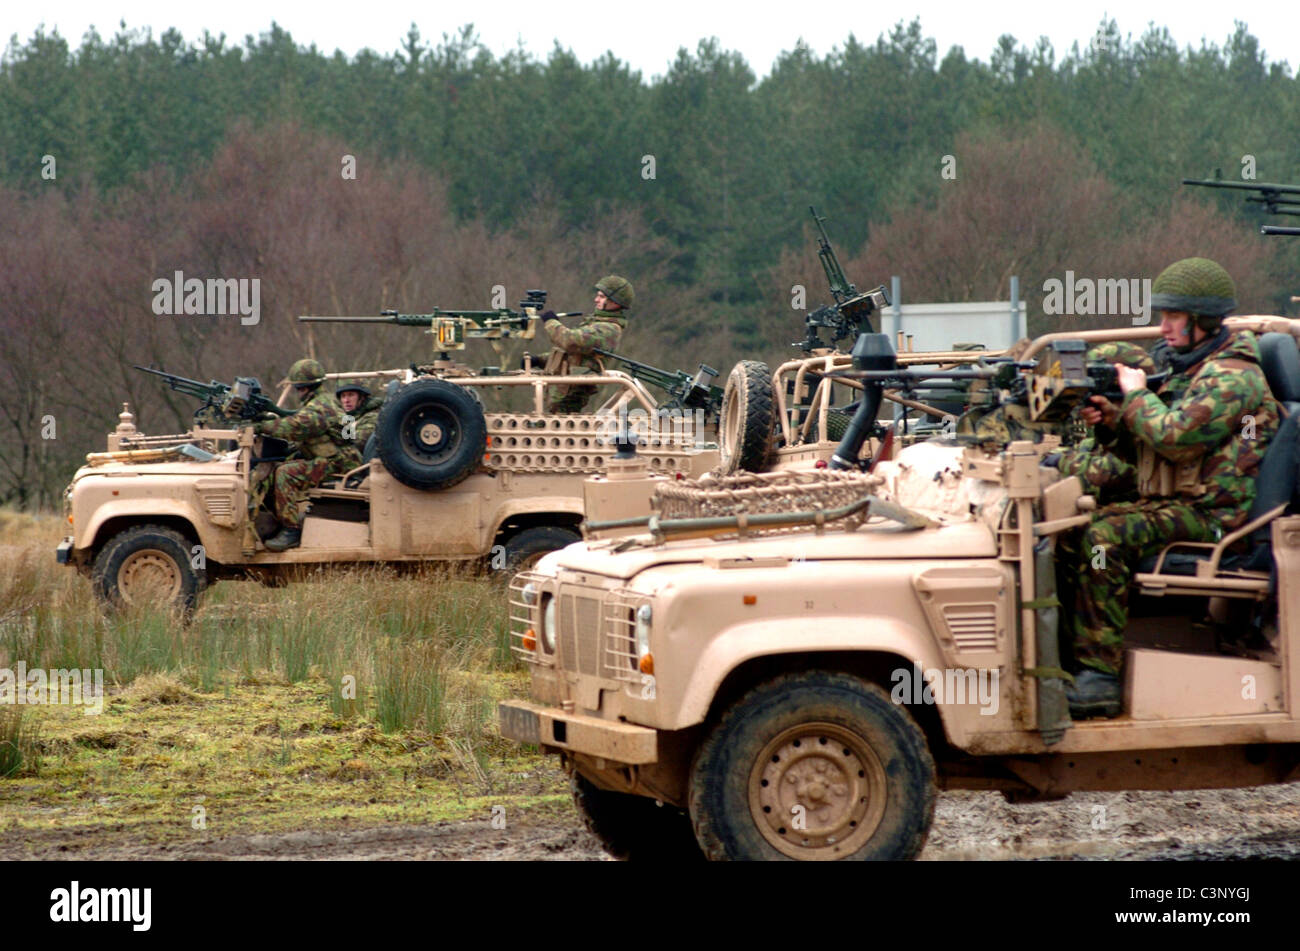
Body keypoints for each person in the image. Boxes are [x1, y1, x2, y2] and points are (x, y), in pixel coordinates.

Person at [1060, 257, 1280, 718]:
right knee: (1074, 526)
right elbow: (1156, 443)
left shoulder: (1233, 376)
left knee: (1105, 536)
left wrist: (1136, 396)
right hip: (1183, 500)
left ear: (1201, 321)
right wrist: (1113, 422)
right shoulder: (1193, 368)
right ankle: (1072, 660)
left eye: (1173, 317)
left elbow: (1177, 439)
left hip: (1216, 518)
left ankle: (1099, 678)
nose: (1162, 328)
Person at [247, 359, 362, 551]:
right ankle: (270, 521)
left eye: (298, 388)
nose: (297, 392)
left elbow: (296, 427)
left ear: (304, 387)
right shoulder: (322, 401)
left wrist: (260, 426)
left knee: (286, 473)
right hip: (336, 458)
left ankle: (291, 531)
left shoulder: (321, 406)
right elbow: (298, 421)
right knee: (278, 467)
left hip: (340, 462)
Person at [541, 275, 632, 413]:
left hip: (569, 398)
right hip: (562, 396)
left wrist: (551, 322)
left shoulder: (609, 329)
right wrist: (540, 359)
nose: (596, 300)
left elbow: (569, 341)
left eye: (601, 297)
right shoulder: (598, 323)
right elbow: (574, 357)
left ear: (615, 302)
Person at [336, 380, 384, 453]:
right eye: (343, 396)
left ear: (362, 398)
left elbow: (359, 444)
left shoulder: (372, 416)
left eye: (351, 395)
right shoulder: (345, 416)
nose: (346, 400)